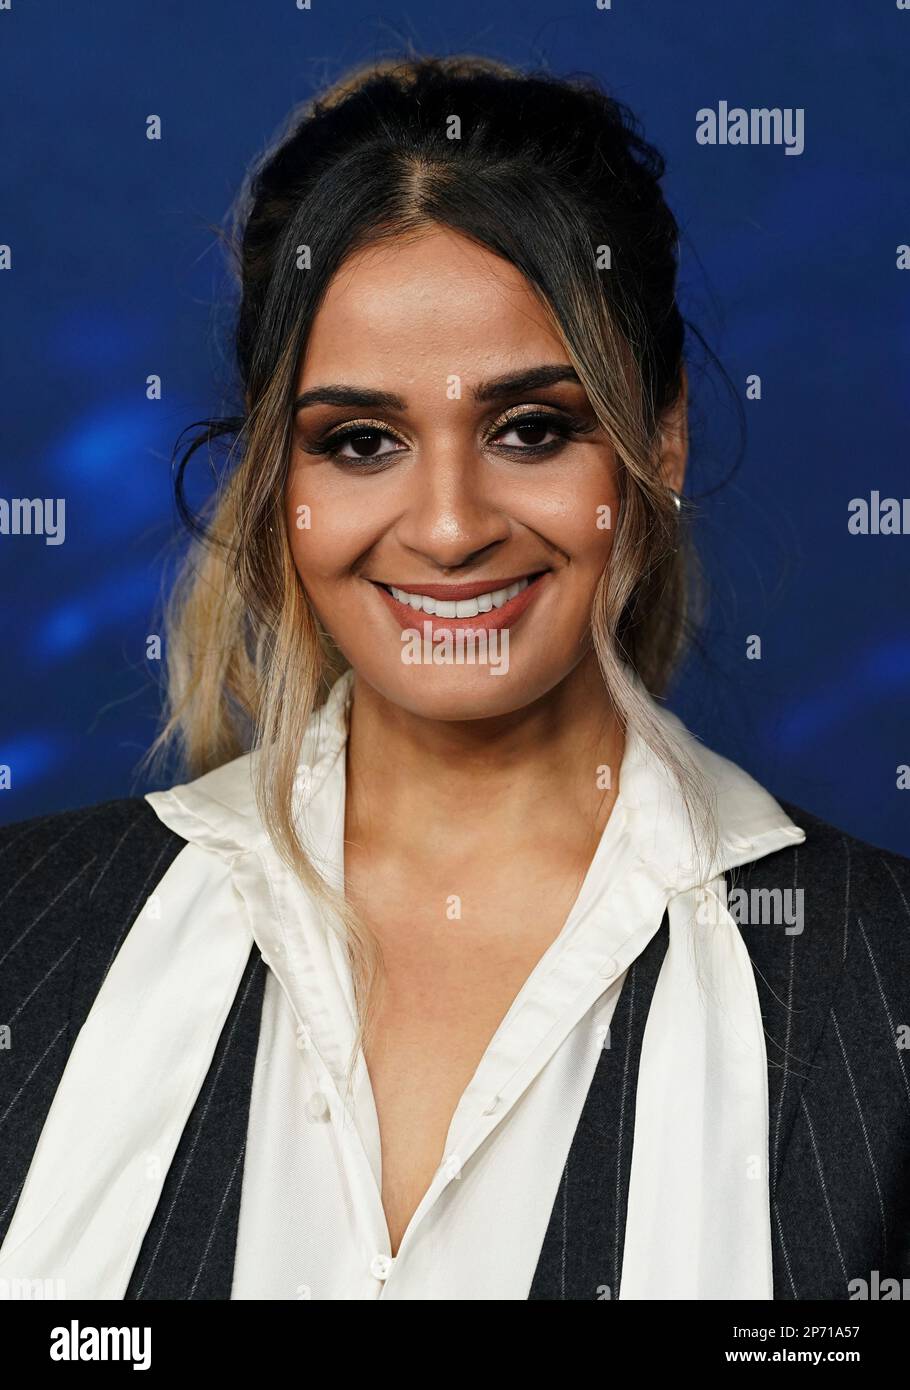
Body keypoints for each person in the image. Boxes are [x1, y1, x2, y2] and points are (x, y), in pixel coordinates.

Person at [1, 54, 907, 1303]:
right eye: (360, 442)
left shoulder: (879, 984)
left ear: (661, 434)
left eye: (530, 428)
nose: (445, 526)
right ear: (280, 479)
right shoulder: (28, 933)